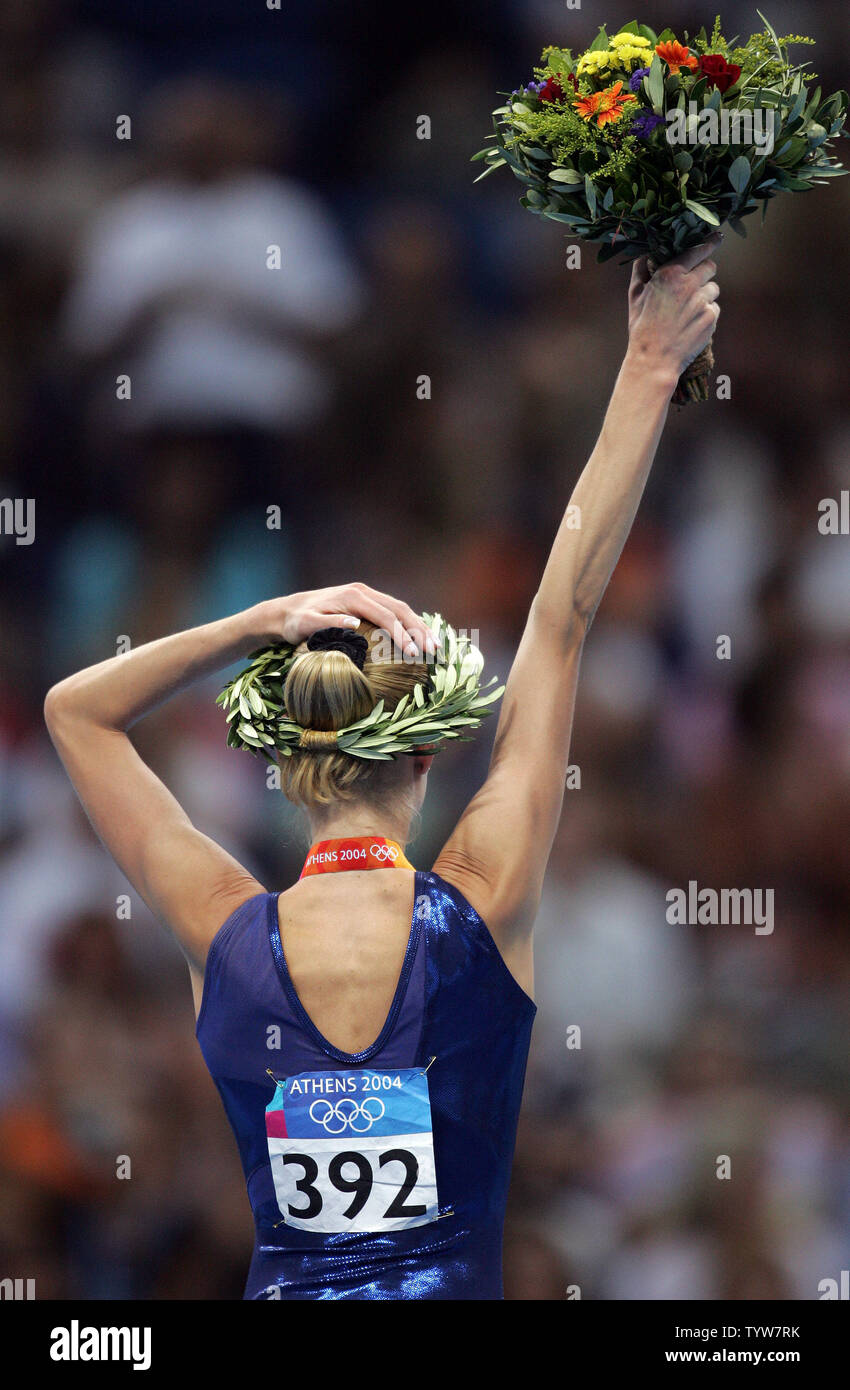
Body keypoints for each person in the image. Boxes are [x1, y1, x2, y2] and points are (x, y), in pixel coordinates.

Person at [44, 237, 720, 1299]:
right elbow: (559, 622)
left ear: (281, 762)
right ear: (428, 749)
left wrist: (264, 618)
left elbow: (77, 712)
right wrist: (644, 367)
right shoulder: (483, 900)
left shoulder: (220, 927)